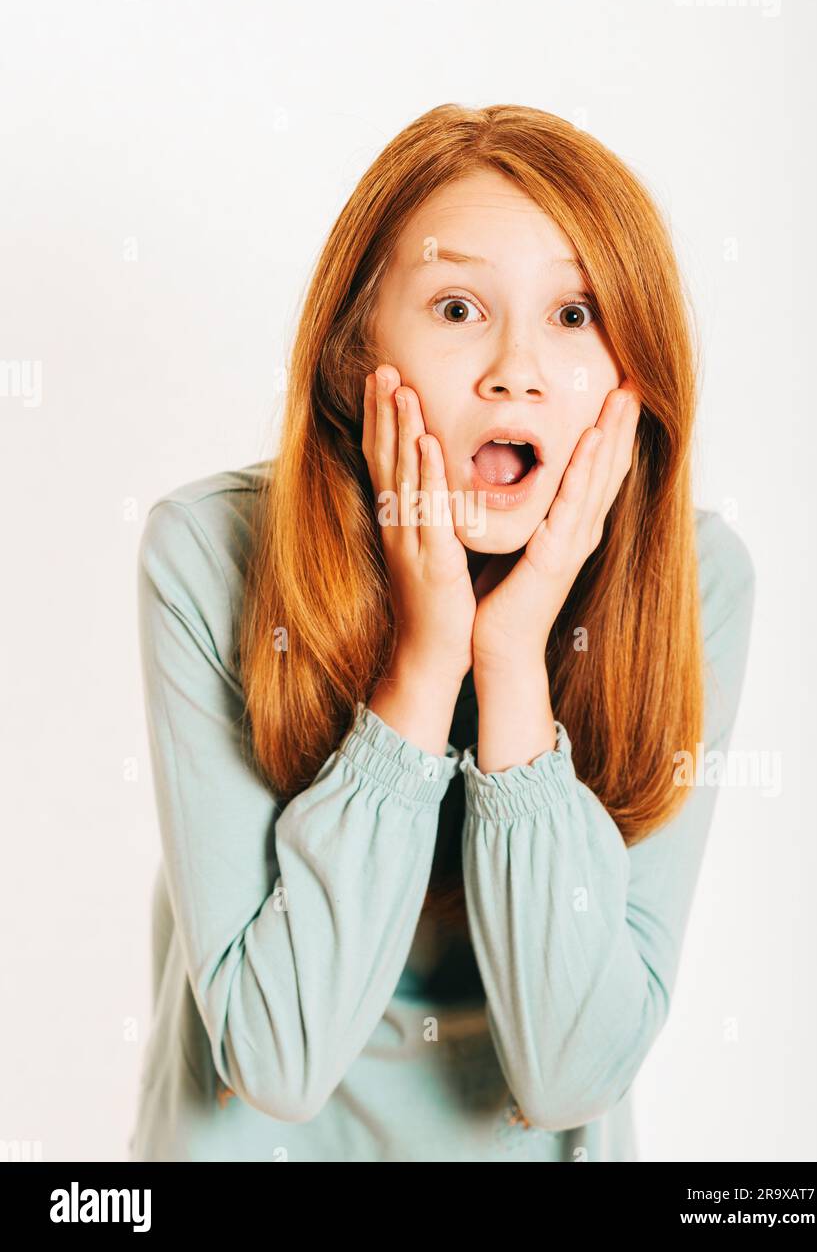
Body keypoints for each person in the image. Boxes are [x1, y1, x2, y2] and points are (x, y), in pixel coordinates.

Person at [128, 102, 755, 1161]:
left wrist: (510, 662)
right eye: (458, 306)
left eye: (574, 315)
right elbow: (276, 1057)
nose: (515, 369)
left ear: (629, 372)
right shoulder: (207, 552)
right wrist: (424, 665)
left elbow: (568, 1074)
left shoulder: (694, 581)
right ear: (351, 350)